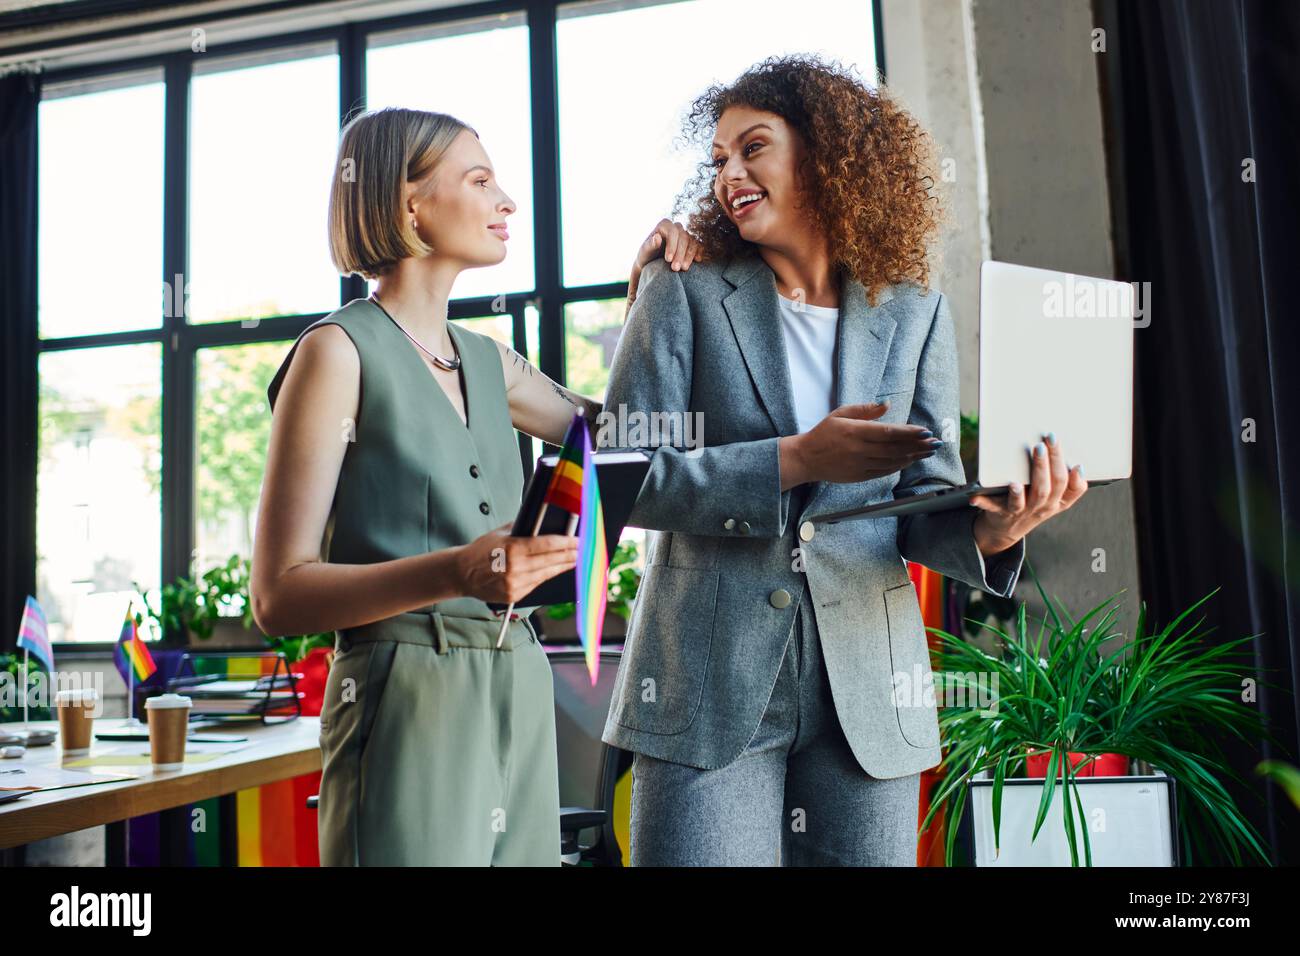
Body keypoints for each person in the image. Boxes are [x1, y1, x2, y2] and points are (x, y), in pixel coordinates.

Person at [599, 55, 1087, 866]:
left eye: (753, 148)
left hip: (868, 691)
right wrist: (793, 458)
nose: (730, 174)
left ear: (825, 155)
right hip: (708, 688)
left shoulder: (916, 312)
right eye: (718, 158)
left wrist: (995, 532)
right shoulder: (682, 288)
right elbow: (623, 477)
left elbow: (924, 499)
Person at [250, 106, 697, 865]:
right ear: (410, 204)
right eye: (481, 180)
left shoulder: (490, 363)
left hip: (518, 687)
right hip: (401, 699)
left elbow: (627, 433)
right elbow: (278, 596)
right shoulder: (336, 352)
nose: (507, 202)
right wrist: (457, 571)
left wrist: (647, 295)